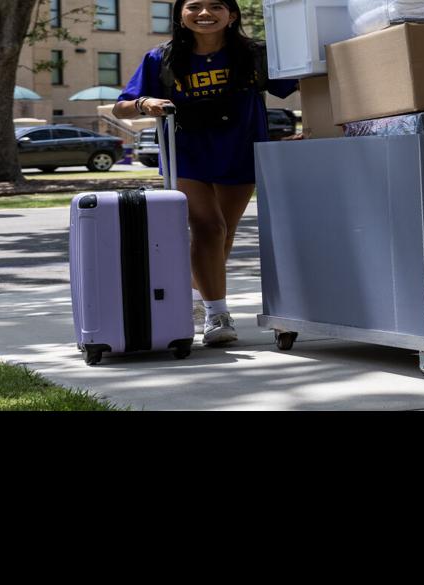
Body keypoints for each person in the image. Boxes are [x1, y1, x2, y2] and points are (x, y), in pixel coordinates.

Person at [112, 0, 299, 347]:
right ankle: (218, 314)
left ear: (233, 14)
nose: (204, 13)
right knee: (208, 228)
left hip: (240, 151)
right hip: (187, 155)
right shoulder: (162, 58)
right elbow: (120, 106)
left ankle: (197, 300)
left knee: (222, 235)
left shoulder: (255, 54)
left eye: (216, 6)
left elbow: (302, 81)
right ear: (180, 15)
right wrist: (144, 103)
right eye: (194, 6)